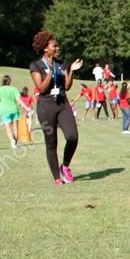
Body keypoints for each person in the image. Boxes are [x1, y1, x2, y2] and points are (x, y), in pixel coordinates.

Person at [29, 30, 84, 185]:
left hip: (62, 105)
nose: (58, 48)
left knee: (72, 136)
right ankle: (56, 178)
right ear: (46, 48)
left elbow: (66, 86)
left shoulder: (62, 64)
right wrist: (50, 71)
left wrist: (72, 70)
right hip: (46, 108)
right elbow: (41, 88)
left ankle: (65, 166)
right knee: (51, 143)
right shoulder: (36, 66)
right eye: (55, 46)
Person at [0, 75, 25, 148]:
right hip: (14, 109)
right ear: (9, 81)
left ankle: (12, 141)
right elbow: (18, 99)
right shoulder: (14, 89)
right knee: (15, 127)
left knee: (8, 128)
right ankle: (15, 144)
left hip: (5, 110)